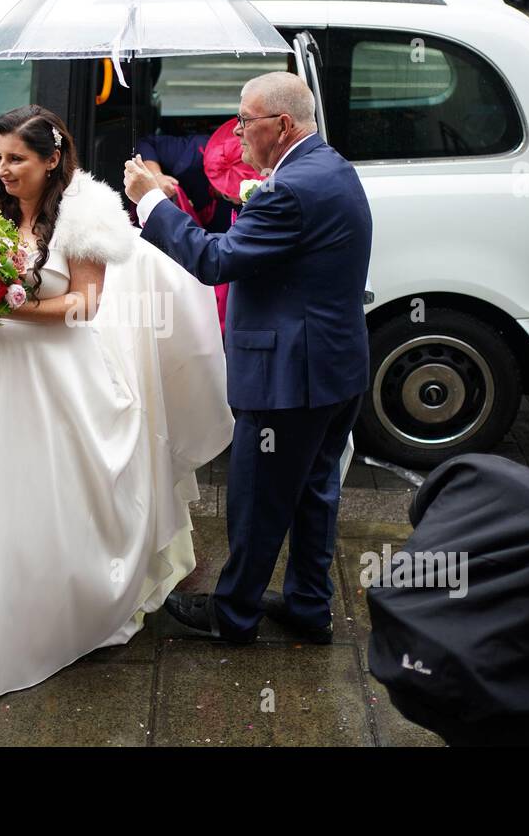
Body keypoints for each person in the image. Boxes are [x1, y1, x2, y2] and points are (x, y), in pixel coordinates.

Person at [0, 105, 235, 697]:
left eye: (16, 159)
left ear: (53, 159)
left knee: (45, 494)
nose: (2, 169)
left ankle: (47, 618)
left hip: (61, 374)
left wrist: (6, 306)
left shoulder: (86, 215)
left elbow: (83, 306)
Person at [125, 71, 373, 645]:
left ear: (282, 125)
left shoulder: (289, 189)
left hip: (292, 378)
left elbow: (215, 261)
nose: (236, 131)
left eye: (245, 121)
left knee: (259, 500)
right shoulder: (328, 167)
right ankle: (310, 608)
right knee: (315, 492)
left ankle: (233, 616)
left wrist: (153, 206)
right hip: (337, 369)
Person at [136, 119, 257, 333]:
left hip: (215, 259)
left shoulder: (259, 197)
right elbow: (144, 145)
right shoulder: (193, 152)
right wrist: (157, 178)